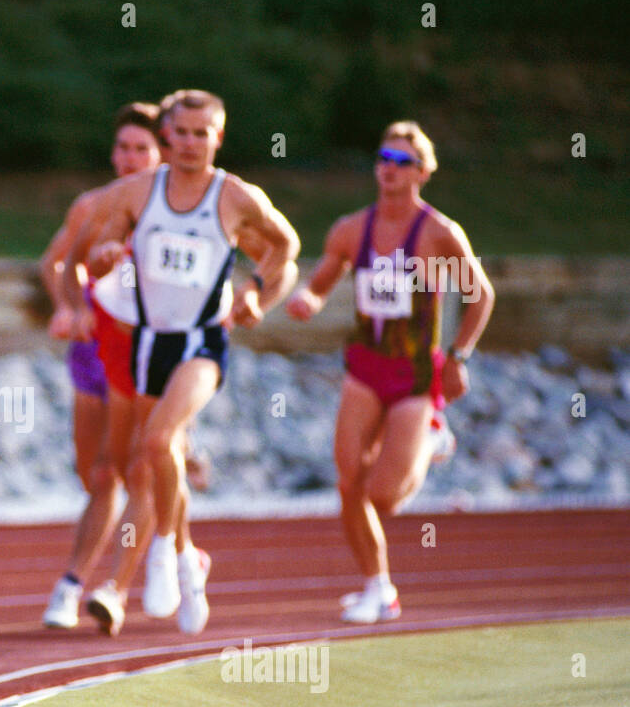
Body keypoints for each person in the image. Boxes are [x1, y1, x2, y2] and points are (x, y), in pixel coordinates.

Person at [67, 89, 300, 636]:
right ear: (166, 135)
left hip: (202, 342)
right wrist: (102, 258)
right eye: (182, 133)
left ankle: (167, 552)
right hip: (150, 342)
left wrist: (256, 294)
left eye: (203, 133)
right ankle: (193, 558)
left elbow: (285, 246)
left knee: (156, 442)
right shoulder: (136, 192)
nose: (191, 143)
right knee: (151, 458)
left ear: (218, 137)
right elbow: (96, 250)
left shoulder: (236, 196)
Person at [287, 121, 494, 623]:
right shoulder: (350, 229)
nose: (389, 169)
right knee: (348, 484)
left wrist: (461, 357)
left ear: (423, 172)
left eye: (402, 162)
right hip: (364, 369)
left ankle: (431, 435)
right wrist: (308, 300)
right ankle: (378, 588)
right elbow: (322, 280)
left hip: (416, 376)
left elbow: (480, 296)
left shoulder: (439, 234)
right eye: (384, 159)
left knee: (382, 495)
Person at [40, 103, 162, 630]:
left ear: (161, 154)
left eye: (142, 148)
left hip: (152, 352)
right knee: (96, 474)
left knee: (139, 467)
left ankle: (101, 587)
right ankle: (176, 543)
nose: (130, 158)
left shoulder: (174, 210)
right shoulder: (90, 205)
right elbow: (54, 262)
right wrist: (71, 306)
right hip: (94, 352)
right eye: (124, 147)